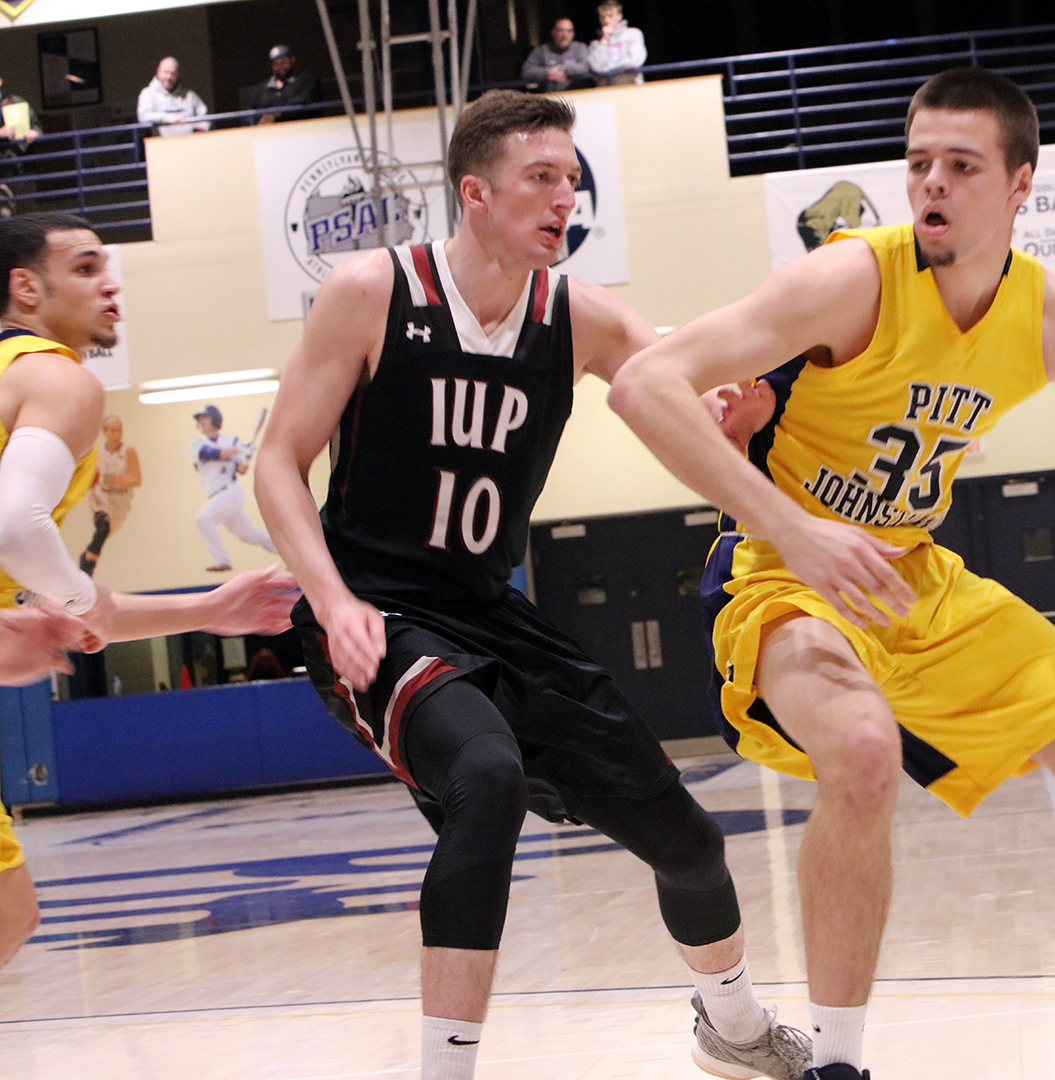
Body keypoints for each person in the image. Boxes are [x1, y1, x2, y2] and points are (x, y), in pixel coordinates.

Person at [612, 66, 1055, 1080]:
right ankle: (838, 1064)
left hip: (917, 580)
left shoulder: (1054, 319)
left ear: (1020, 184)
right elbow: (644, 384)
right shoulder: (849, 279)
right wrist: (793, 528)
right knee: (859, 754)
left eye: (961, 165)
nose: (931, 184)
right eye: (918, 164)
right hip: (785, 574)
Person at [252, 91, 809, 1080]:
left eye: (573, 178)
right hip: (379, 609)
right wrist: (331, 599)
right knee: (487, 777)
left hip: (491, 610)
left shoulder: (582, 316)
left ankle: (732, 1028)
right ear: (476, 192)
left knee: (686, 842)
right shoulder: (371, 291)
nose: (566, 197)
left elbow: (674, 395)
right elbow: (275, 463)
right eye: (542, 178)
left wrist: (723, 410)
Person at [0, 210, 298, 972]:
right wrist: (68, 602)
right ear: (25, 287)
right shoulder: (59, 377)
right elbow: (16, 530)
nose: (112, 285)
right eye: (88, 267)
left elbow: (30, 600)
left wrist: (205, 608)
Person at [190, 404, 277, 573]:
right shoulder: (196, 443)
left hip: (230, 492)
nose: (201, 422)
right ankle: (288, 552)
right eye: (199, 419)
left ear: (215, 419)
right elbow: (211, 453)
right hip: (217, 497)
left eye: (205, 418)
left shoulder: (232, 440)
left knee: (202, 519)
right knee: (249, 535)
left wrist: (246, 457)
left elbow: (242, 469)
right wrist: (239, 450)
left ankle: (222, 561)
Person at [78, 413, 139, 576]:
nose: (116, 434)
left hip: (120, 500)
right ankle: (85, 570)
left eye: (119, 431)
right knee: (102, 528)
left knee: (104, 533)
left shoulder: (128, 451)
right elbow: (89, 478)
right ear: (105, 432)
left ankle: (86, 557)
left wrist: (122, 481)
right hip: (101, 497)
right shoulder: (96, 453)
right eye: (113, 431)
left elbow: (137, 479)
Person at [135, 57, 209, 135]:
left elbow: (204, 114)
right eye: (166, 72)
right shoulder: (148, 94)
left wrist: (201, 130)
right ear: (158, 71)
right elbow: (144, 116)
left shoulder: (189, 95)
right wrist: (170, 118)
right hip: (162, 144)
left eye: (172, 73)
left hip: (189, 143)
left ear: (178, 74)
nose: (169, 77)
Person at [0, 75, 39, 219]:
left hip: (21, 167)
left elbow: (36, 126)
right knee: (4, 215)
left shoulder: (16, 102)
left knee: (27, 215)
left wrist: (34, 133)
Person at [247, 46, 317, 124]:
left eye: (284, 61)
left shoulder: (305, 79)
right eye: (276, 63)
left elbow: (304, 99)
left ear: (292, 61)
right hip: (272, 132)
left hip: (301, 127)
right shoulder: (262, 88)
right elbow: (252, 111)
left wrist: (276, 114)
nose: (280, 66)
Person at [521, 18, 593, 93]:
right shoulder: (541, 51)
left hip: (577, 95)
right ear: (553, 32)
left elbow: (585, 66)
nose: (564, 35)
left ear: (572, 34)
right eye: (561, 30)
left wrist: (563, 69)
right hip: (549, 96)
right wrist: (548, 73)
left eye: (568, 31)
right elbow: (526, 72)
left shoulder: (580, 47)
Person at [588, 1, 648, 85]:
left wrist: (608, 70)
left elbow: (634, 62)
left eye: (610, 16)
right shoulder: (596, 44)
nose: (606, 20)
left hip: (631, 86)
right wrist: (604, 40)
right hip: (606, 90)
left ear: (619, 16)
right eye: (602, 17)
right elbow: (596, 67)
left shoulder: (633, 34)